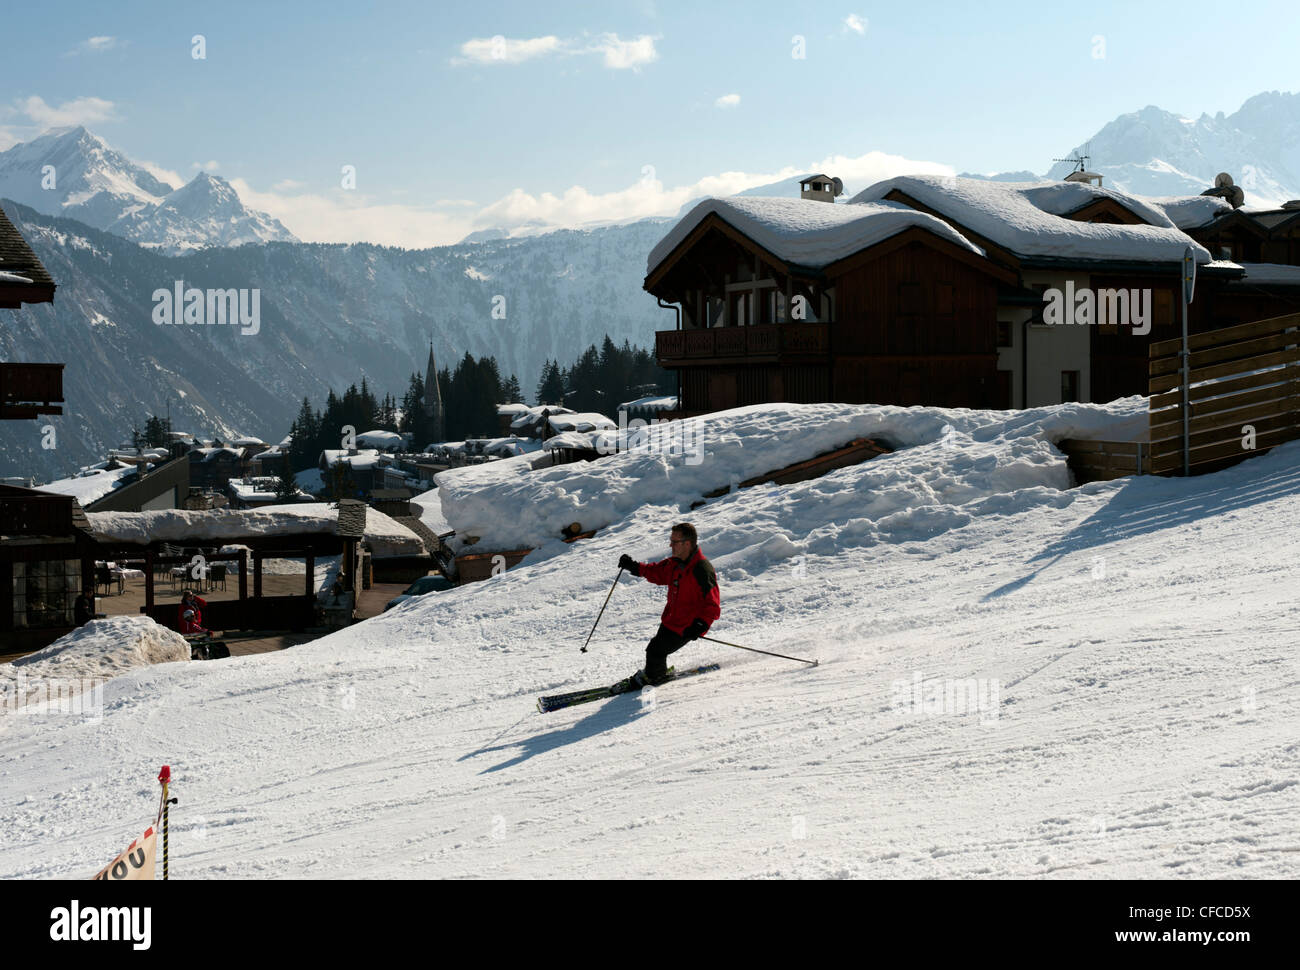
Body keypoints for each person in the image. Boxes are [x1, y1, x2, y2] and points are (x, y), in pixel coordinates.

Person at [617, 522, 720, 687]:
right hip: (671, 620)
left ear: (687, 544)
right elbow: (657, 572)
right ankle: (657, 673)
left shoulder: (701, 568)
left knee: (655, 650)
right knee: (657, 649)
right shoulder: (674, 563)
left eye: (674, 541)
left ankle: (654, 678)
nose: (670, 545)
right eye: (671, 540)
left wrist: (701, 623)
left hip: (688, 625)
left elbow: (712, 602)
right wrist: (634, 567)